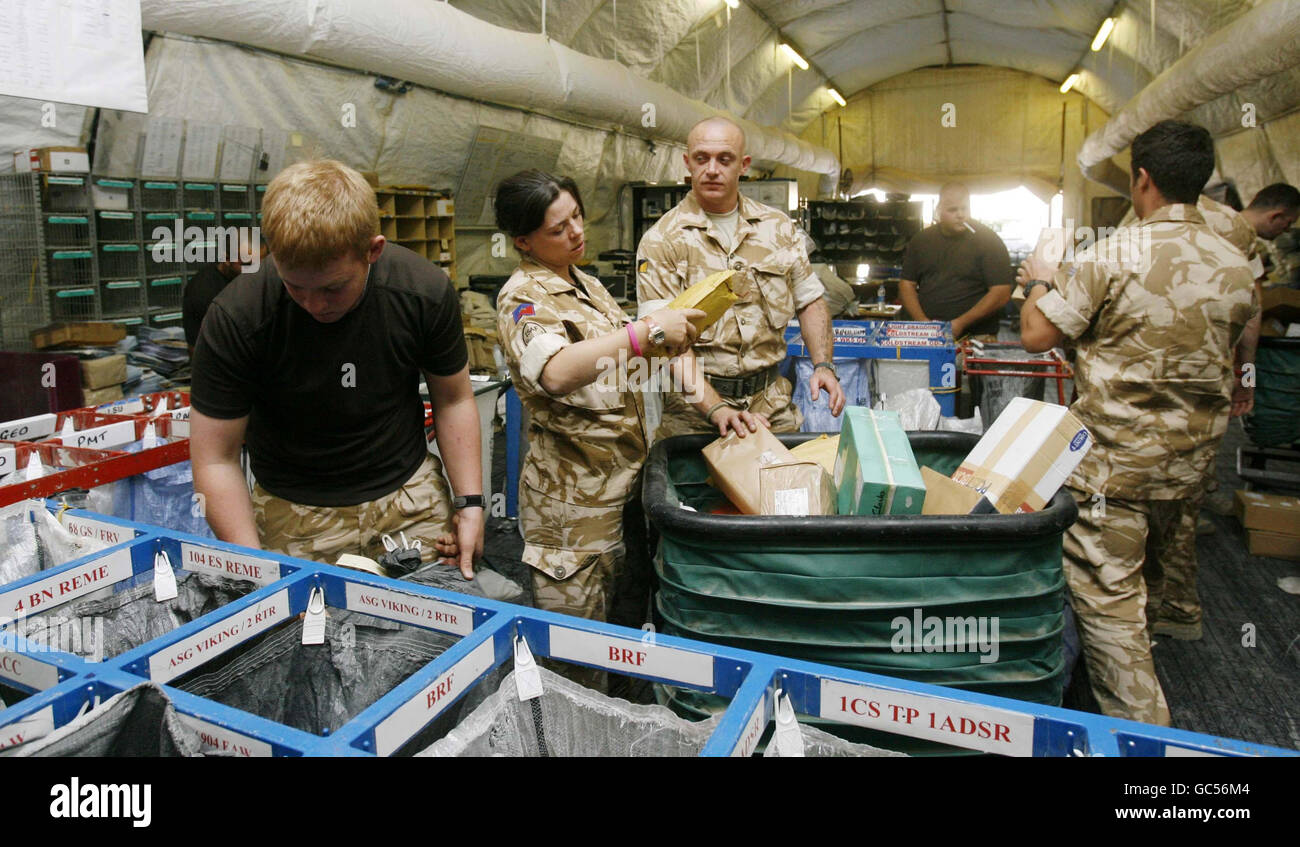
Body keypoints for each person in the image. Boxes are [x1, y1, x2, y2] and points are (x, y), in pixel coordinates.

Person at [1017, 120, 1257, 725]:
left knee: (1111, 603)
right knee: (1154, 573)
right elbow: (1234, 349)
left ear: (1141, 178)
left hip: (1113, 470)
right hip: (1191, 463)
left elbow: (1035, 334)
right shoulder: (1235, 263)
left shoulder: (1113, 254)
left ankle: (1152, 753)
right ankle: (1169, 631)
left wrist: (1042, 274)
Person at [189, 160, 484, 578]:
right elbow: (215, 457)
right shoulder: (238, 316)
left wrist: (470, 504)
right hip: (293, 515)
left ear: (373, 250)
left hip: (409, 501)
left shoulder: (421, 292)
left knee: (434, 632)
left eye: (333, 287)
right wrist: (252, 567)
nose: (315, 305)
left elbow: (453, 398)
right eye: (296, 287)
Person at [494, 170, 701, 660]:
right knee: (578, 659)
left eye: (578, 217)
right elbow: (558, 372)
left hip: (622, 494)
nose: (577, 232)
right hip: (573, 513)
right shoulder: (523, 297)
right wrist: (643, 333)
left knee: (628, 642)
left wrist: (673, 338)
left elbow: (613, 366)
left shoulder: (585, 284)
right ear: (523, 241)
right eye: (558, 228)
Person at [637, 116, 844, 439]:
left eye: (725, 159)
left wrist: (823, 365)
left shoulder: (778, 228)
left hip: (771, 406)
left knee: (784, 487)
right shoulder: (661, 240)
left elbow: (810, 301)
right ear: (687, 163)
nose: (712, 169)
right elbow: (663, 340)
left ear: (744, 165)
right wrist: (716, 408)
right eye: (701, 158)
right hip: (694, 413)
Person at [899, 182, 1012, 341]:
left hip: (976, 337)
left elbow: (1001, 292)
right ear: (938, 210)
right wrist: (923, 323)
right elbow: (906, 284)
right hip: (926, 335)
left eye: (964, 208)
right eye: (953, 209)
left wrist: (960, 323)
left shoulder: (989, 241)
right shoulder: (921, 240)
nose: (960, 215)